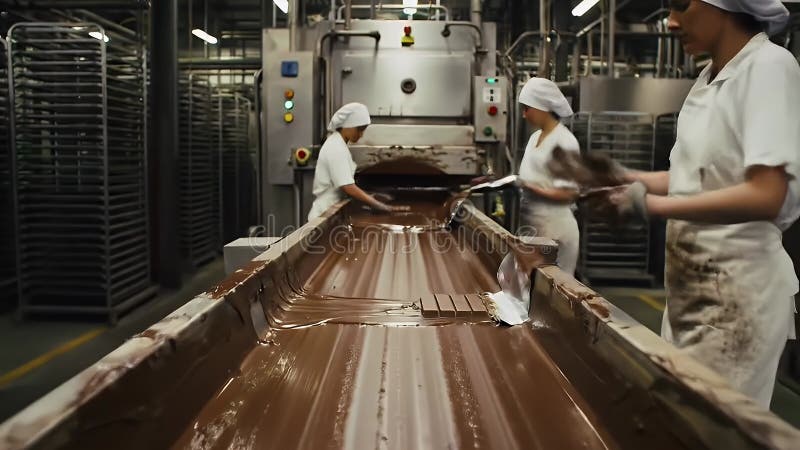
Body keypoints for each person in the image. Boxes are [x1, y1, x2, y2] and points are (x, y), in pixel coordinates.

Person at [607, 0, 799, 408]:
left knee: (713, 430)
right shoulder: (709, 79)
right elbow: (693, 180)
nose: (671, 22)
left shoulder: (767, 67)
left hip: (736, 299)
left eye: (682, 5)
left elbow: (767, 194)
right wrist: (628, 177)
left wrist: (654, 207)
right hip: (693, 288)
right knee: (682, 418)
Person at [516, 78, 581, 276]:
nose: (524, 114)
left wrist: (530, 187)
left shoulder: (564, 142)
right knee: (529, 293)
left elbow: (569, 193)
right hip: (534, 228)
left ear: (542, 107)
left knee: (553, 297)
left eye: (527, 108)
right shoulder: (534, 138)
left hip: (556, 232)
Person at [308, 103, 407, 221]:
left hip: (333, 210)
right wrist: (378, 205)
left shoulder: (339, 144)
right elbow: (348, 187)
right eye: (359, 130)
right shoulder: (335, 147)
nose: (361, 135)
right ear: (347, 126)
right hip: (324, 214)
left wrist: (371, 196)